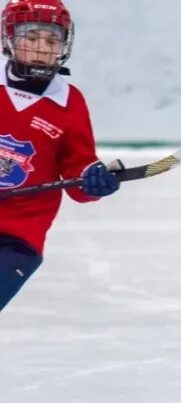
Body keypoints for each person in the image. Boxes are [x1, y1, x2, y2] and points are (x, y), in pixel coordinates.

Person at [0, 0, 119, 313]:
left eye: (52, 41)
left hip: (17, 239)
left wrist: (93, 180)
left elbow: (79, 176)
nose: (42, 48)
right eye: (31, 38)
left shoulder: (69, 102)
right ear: (9, 39)